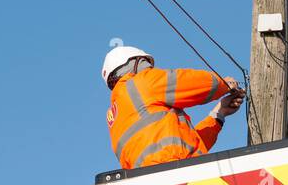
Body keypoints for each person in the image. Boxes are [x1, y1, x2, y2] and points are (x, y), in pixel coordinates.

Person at [102, 44, 245, 171]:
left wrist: (218, 115)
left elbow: (188, 146)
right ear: (135, 63)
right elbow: (190, 82)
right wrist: (224, 84)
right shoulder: (140, 82)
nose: (150, 69)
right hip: (176, 171)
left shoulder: (116, 115)